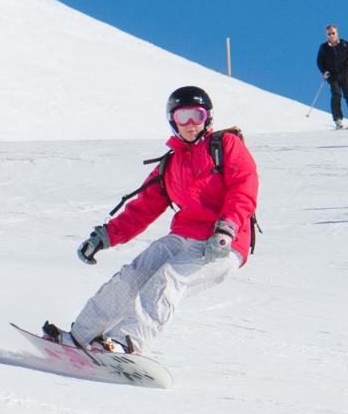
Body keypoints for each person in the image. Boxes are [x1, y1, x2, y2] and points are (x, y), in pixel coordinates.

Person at [42, 86, 259, 356]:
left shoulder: (225, 146)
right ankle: (79, 336)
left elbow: (244, 187)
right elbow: (142, 208)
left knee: (169, 279)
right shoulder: (170, 165)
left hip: (225, 242)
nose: (191, 124)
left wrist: (227, 227)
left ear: (208, 118)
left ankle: (127, 342)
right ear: (173, 121)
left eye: (198, 115)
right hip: (183, 237)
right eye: (183, 117)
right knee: (132, 274)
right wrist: (105, 237)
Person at [316, 24, 348, 129]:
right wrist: (324, 71)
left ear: (337, 33)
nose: (331, 35)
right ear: (326, 35)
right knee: (336, 95)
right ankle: (338, 120)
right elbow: (320, 61)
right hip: (332, 76)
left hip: (345, 73)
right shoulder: (323, 47)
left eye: (333, 33)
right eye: (329, 34)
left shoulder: (344, 44)